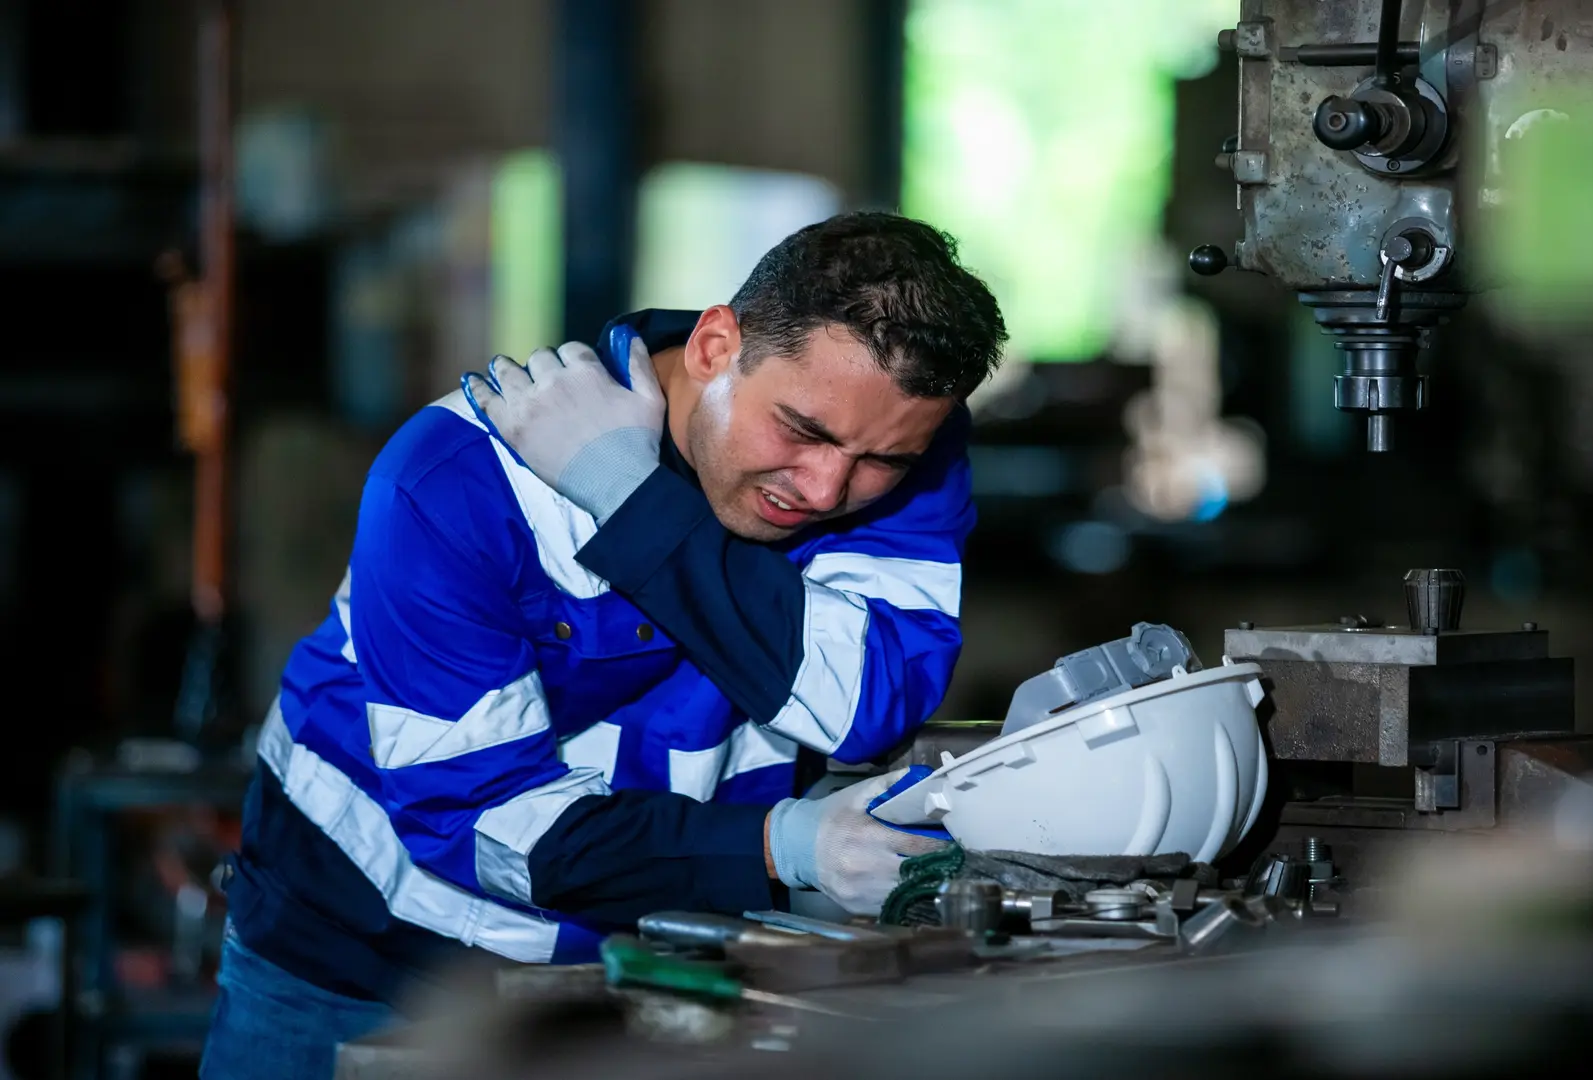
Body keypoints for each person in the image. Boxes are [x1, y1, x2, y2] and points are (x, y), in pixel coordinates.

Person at [200, 212, 1007, 1080]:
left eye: (880, 460)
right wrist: (780, 848)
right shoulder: (459, 476)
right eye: (801, 431)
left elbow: (866, 704)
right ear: (713, 345)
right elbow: (490, 824)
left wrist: (636, 506)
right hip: (363, 957)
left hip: (668, 951)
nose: (826, 488)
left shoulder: (889, 435)